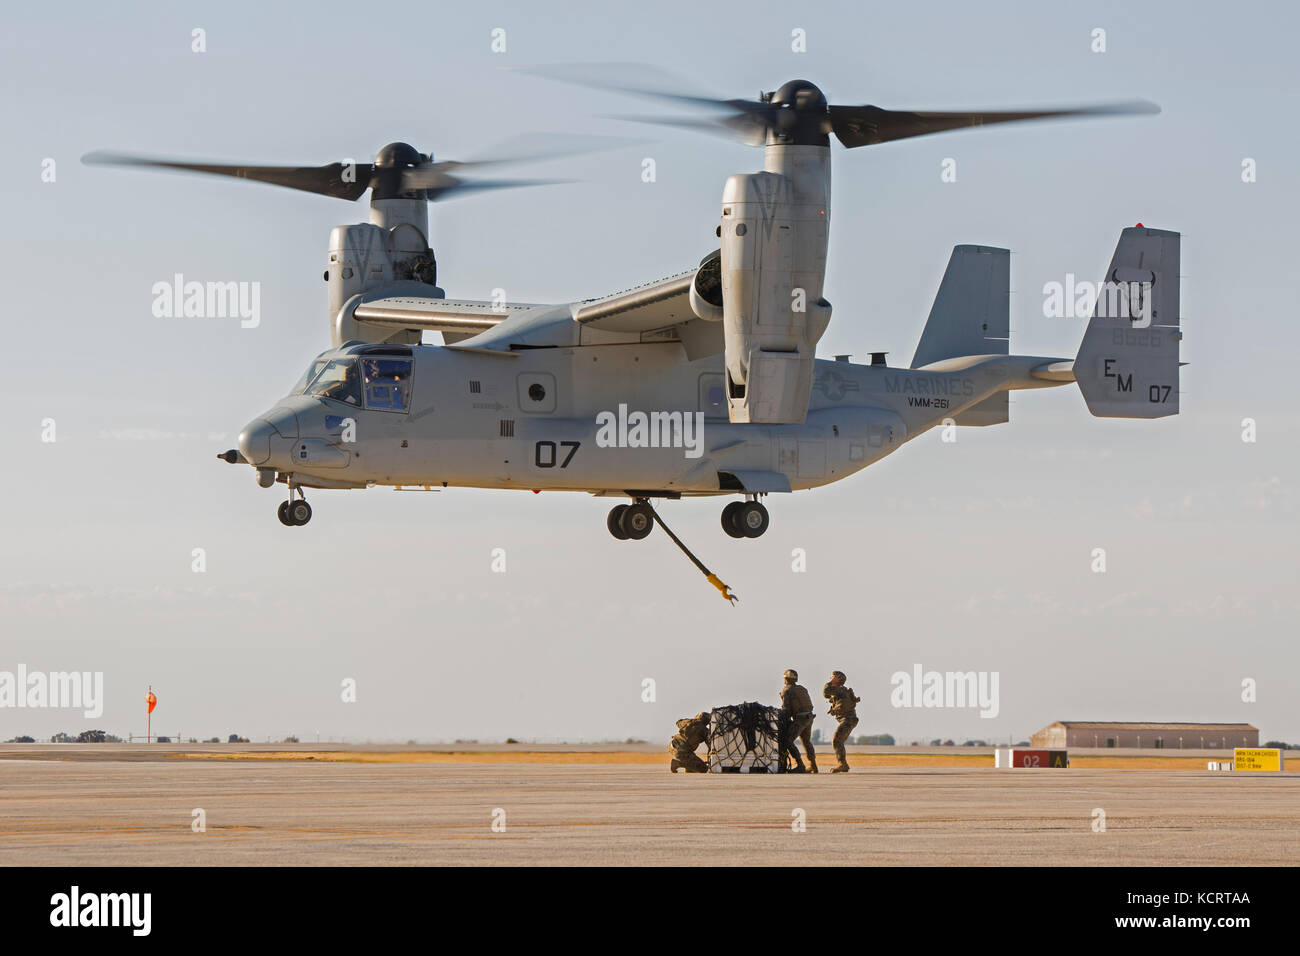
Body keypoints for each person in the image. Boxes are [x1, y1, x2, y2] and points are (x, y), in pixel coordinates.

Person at [779, 669, 817, 773]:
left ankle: (800, 765)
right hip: (809, 717)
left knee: (788, 741)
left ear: (786, 679)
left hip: (800, 719)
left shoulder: (787, 691)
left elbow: (786, 710)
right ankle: (813, 765)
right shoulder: (802, 689)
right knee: (806, 741)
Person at [822, 671, 861, 773]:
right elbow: (826, 695)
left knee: (836, 740)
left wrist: (830, 682)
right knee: (838, 741)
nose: (830, 678)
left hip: (848, 720)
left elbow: (826, 691)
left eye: (833, 677)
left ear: (838, 679)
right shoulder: (839, 690)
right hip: (848, 720)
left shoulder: (840, 690)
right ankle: (842, 764)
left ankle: (842, 764)